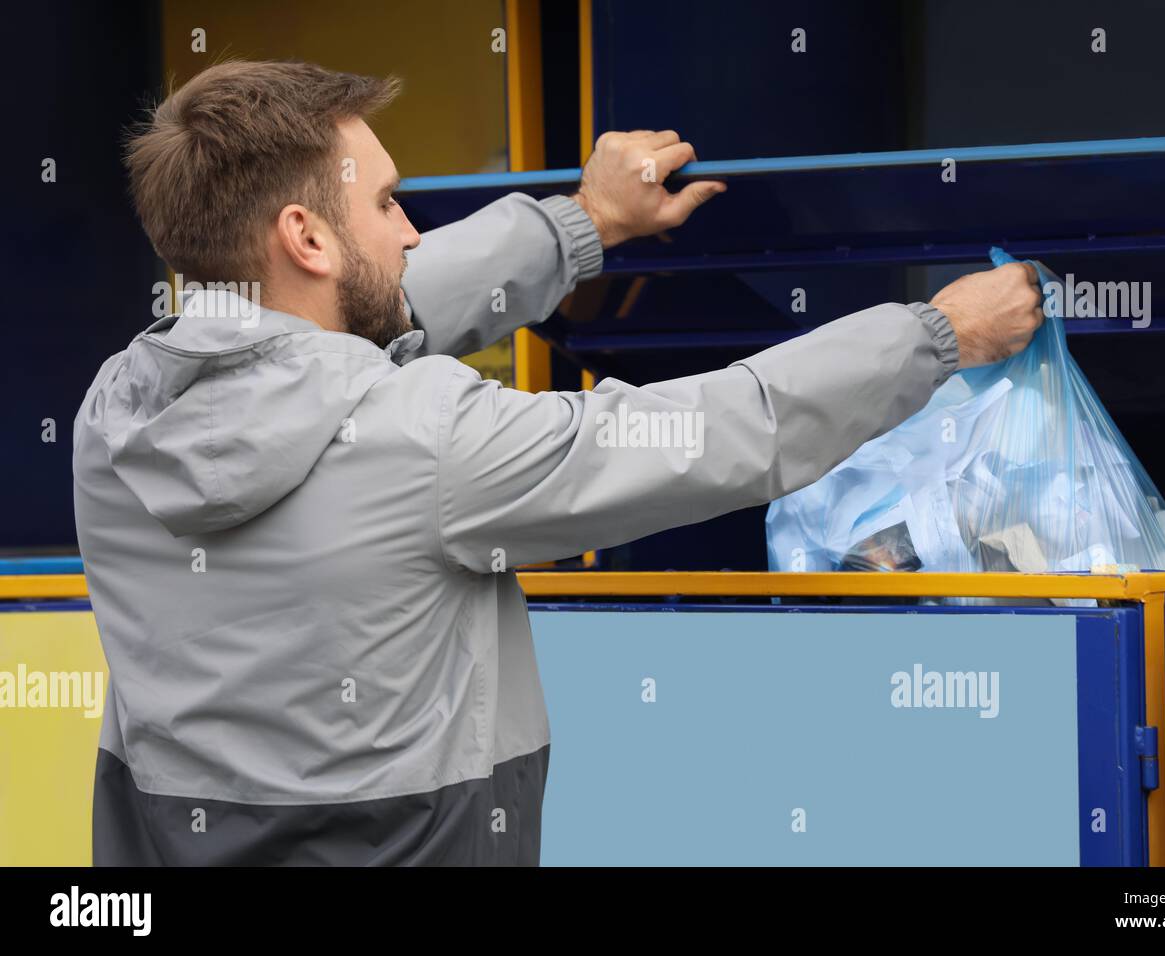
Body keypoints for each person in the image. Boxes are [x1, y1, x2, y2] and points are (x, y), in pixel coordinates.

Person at [73, 60, 1042, 865]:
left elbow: (329, 332)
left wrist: (582, 224)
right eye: (385, 202)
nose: (411, 230)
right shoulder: (427, 437)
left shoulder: (117, 413)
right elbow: (716, 430)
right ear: (306, 236)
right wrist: (935, 334)